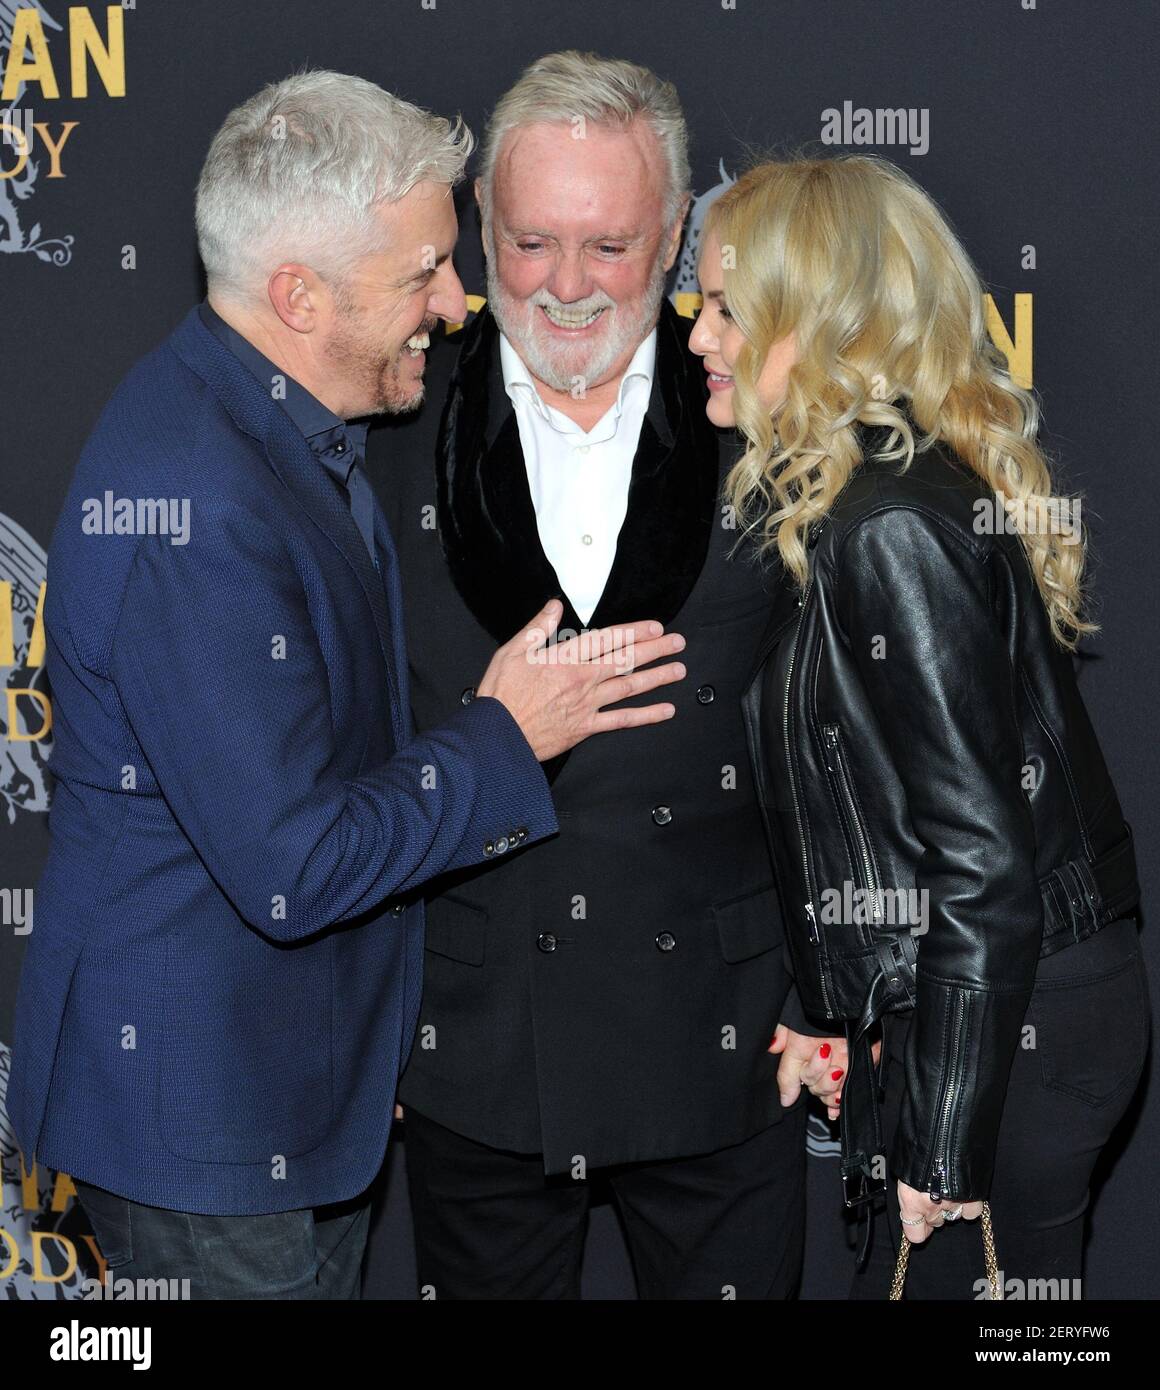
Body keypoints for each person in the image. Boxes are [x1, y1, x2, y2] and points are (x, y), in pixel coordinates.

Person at [6, 70, 687, 1301]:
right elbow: (293, 865)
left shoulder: (279, 424)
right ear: (298, 294)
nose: (456, 296)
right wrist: (501, 736)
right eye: (422, 271)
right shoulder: (199, 504)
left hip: (292, 1087)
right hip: (204, 1123)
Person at [367, 51, 847, 1301]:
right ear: (479, 231)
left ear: (679, 232)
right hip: (472, 1056)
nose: (567, 287)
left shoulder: (780, 421)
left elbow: (855, 737)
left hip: (731, 1046)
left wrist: (832, 983)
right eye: (530, 242)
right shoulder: (380, 433)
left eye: (611, 247)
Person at [690, 153, 1148, 1298]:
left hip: (1017, 1026)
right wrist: (845, 1012)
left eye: (727, 310)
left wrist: (940, 1142)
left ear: (818, 322)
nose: (697, 336)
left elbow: (981, 860)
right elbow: (890, 816)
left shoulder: (885, 524)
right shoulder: (869, 497)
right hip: (986, 1006)